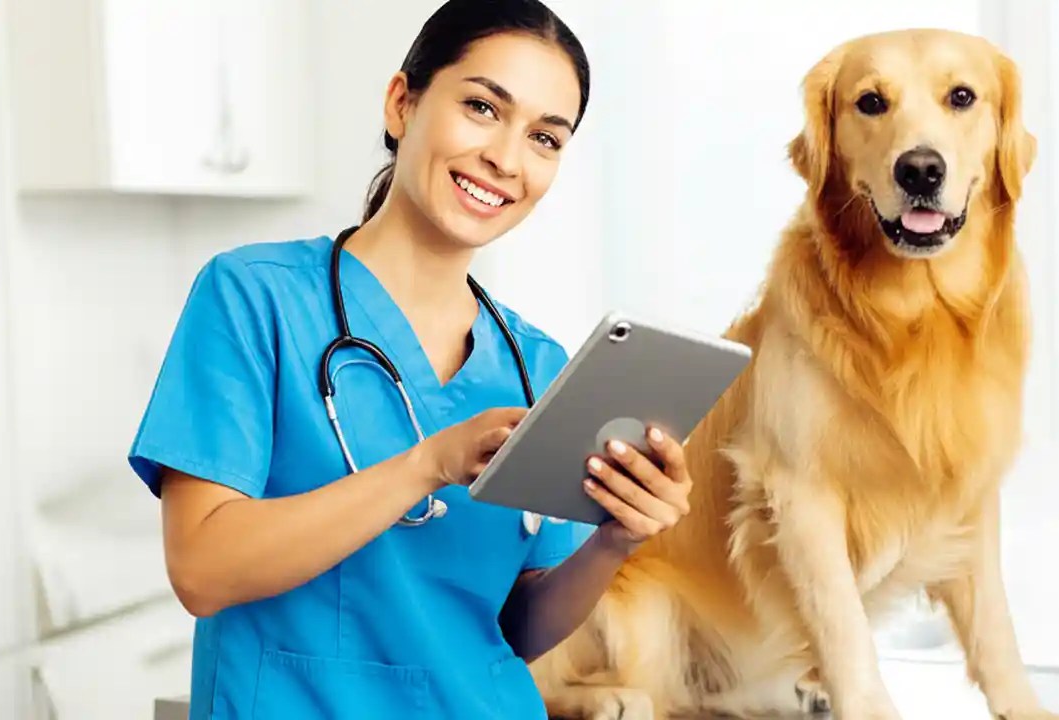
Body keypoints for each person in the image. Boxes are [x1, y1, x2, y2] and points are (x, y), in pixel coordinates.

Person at [127, 1, 696, 718]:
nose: (507, 158)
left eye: (545, 139)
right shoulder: (252, 298)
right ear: (403, 103)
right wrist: (428, 464)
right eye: (483, 107)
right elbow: (202, 570)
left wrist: (613, 542)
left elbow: (516, 628)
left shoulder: (536, 365)